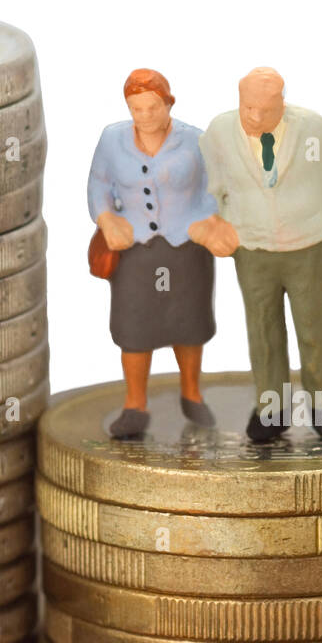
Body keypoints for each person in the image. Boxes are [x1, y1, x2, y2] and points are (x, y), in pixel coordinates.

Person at [198, 67, 322, 442]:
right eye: (248, 108)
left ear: (282, 104)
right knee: (263, 332)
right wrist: (213, 226)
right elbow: (207, 187)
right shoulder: (220, 133)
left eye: (266, 110)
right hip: (252, 249)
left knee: (313, 328)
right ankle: (272, 409)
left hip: (308, 246)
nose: (255, 118)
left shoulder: (313, 130)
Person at [87, 68, 235, 439]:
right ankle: (135, 403)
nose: (145, 116)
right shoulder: (111, 139)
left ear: (168, 103)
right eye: (136, 108)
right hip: (135, 250)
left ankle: (192, 392)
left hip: (186, 247)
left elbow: (216, 188)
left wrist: (205, 221)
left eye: (152, 107)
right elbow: (99, 184)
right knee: (134, 328)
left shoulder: (196, 141)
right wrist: (107, 219)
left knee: (189, 324)